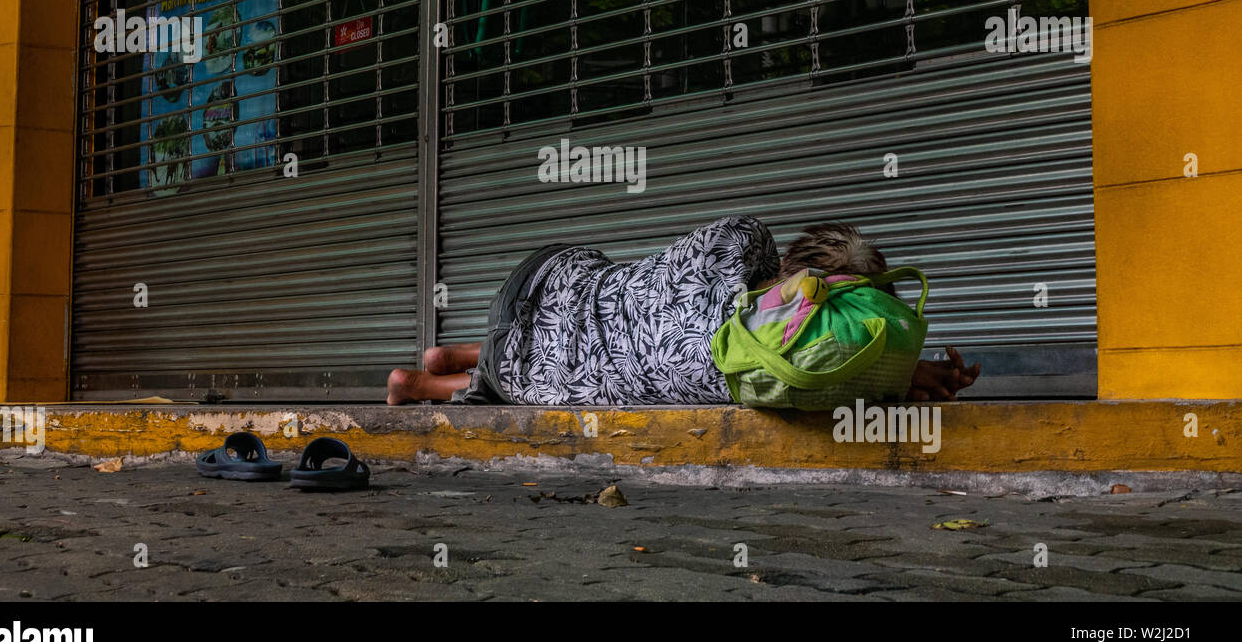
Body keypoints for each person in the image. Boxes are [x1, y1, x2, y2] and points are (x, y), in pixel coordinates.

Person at [386, 216, 979, 406]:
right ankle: (425, 382)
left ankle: (452, 354)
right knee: (565, 365)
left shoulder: (739, 239)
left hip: (545, 277)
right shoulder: (744, 370)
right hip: (525, 372)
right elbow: (819, 364)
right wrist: (901, 371)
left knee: (599, 323)